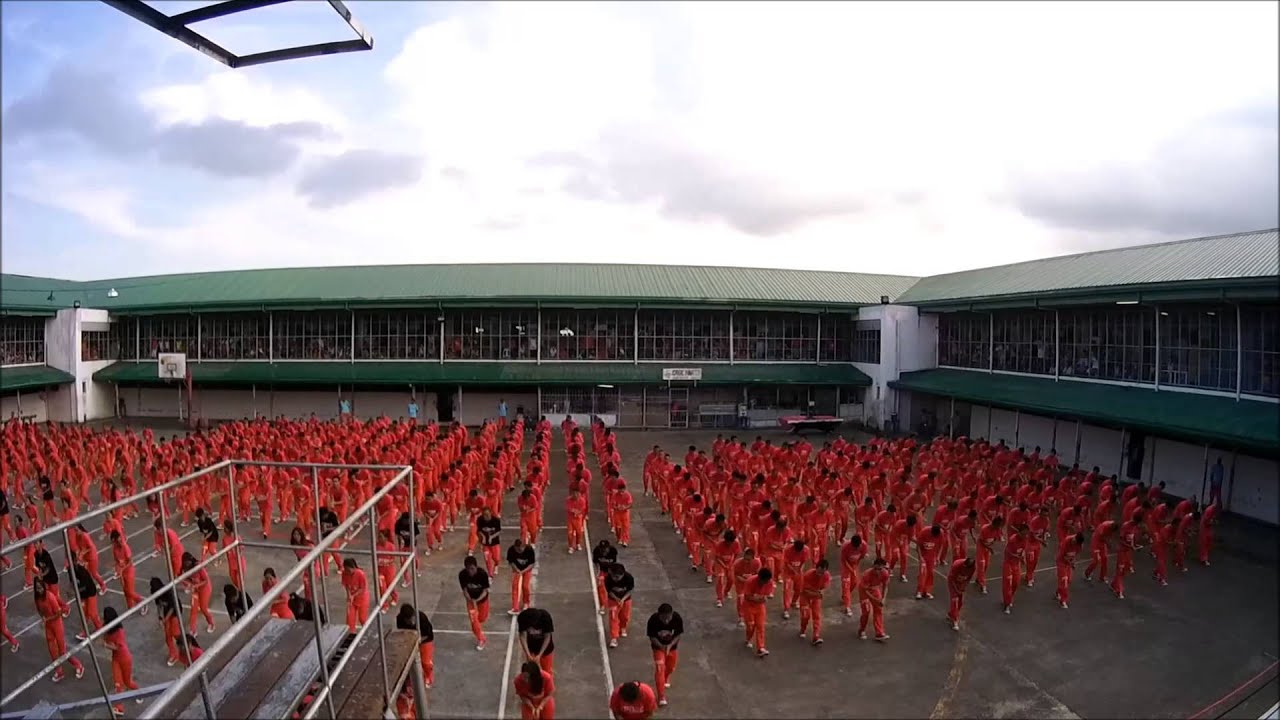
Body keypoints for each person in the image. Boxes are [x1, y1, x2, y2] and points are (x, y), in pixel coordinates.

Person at [34, 577, 84, 682]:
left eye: (40, 588)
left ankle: (78, 664)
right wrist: (43, 618)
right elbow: (39, 610)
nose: (39, 590)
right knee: (52, 650)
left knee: (62, 651)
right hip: (48, 625)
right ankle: (59, 671)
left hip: (56, 624)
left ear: (44, 586)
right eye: (37, 588)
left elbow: (58, 613)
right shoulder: (37, 598)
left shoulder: (50, 597)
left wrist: (46, 619)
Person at [101, 606, 143, 714]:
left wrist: (106, 645)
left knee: (127, 682)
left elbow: (118, 647)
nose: (103, 619)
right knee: (118, 683)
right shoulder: (107, 628)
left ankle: (139, 692)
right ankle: (119, 707)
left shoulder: (119, 631)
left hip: (124, 658)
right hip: (115, 659)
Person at [646, 603, 683, 706]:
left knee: (671, 667)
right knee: (659, 669)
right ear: (659, 615)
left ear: (671, 614)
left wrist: (670, 645)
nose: (666, 621)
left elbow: (678, 634)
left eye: (668, 618)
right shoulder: (653, 620)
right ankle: (661, 696)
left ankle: (666, 677)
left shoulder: (676, 618)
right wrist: (662, 647)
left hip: (672, 648)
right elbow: (652, 637)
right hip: (658, 647)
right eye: (664, 618)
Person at [396, 604, 435, 688]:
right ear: (404, 619)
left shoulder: (421, 617)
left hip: (425, 640)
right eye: (409, 620)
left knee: (426, 662)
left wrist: (418, 641)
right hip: (410, 640)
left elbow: (427, 634)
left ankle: (428, 676)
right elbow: (402, 633)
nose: (411, 622)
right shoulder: (399, 619)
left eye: (412, 618)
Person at [150, 576, 184, 666]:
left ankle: (185, 646)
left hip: (175, 611)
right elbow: (159, 606)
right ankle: (174, 654)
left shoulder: (168, 592)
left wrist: (165, 619)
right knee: (167, 635)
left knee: (175, 633)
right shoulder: (155, 592)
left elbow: (173, 607)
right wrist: (160, 618)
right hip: (166, 613)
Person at [459, 555, 491, 650]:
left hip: (482, 598)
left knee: (482, 618)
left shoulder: (482, 574)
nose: (470, 571)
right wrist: (469, 599)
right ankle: (481, 639)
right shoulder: (462, 575)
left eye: (472, 569)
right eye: (468, 569)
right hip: (470, 599)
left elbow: (485, 591)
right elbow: (464, 590)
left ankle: (477, 626)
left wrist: (477, 600)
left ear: (476, 567)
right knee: (474, 620)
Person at [740, 567, 774, 658]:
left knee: (760, 626)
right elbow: (747, 597)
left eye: (767, 581)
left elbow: (767, 595)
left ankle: (761, 647)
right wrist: (758, 599)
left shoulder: (769, 582)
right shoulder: (750, 581)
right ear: (759, 578)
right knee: (750, 626)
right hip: (749, 607)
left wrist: (762, 599)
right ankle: (748, 638)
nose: (765, 583)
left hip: (760, 607)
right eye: (764, 581)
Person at [179, 552, 216, 635]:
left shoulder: (198, 566)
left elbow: (206, 580)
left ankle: (211, 623)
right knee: (193, 609)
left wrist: (195, 585)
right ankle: (193, 630)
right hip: (196, 590)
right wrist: (188, 584)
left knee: (203, 608)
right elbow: (183, 578)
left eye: (188, 562)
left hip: (205, 589)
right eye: (185, 562)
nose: (187, 564)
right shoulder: (184, 568)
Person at [798, 558, 831, 646]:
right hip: (805, 597)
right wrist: (817, 593)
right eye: (819, 571)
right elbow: (805, 591)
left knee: (816, 615)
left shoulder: (826, 575)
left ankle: (816, 636)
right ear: (816, 568)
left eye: (823, 572)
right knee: (805, 615)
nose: (820, 574)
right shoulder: (808, 575)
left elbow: (824, 588)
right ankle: (803, 629)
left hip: (816, 596)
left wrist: (820, 593)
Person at [858, 556, 891, 642]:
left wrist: (883, 598)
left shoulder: (885, 573)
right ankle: (862, 630)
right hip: (864, 592)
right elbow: (865, 591)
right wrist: (876, 600)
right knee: (866, 612)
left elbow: (885, 586)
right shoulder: (867, 574)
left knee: (878, 610)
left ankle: (879, 633)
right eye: (877, 569)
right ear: (874, 566)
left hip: (875, 589)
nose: (878, 571)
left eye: (880, 569)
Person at [604, 562, 635, 648]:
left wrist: (623, 599)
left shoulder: (629, 578)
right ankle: (614, 637)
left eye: (617, 577)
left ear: (622, 574)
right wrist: (617, 599)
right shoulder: (608, 579)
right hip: (613, 600)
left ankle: (623, 627)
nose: (615, 579)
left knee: (625, 616)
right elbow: (609, 591)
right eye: (613, 576)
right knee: (613, 618)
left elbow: (630, 590)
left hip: (626, 599)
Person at [517, 607, 555, 674]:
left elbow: (547, 637)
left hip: (546, 649)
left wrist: (540, 655)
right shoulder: (523, 618)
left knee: (547, 672)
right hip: (531, 648)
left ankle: (548, 684)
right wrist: (528, 654)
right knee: (532, 671)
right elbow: (522, 636)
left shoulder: (545, 617)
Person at [946, 557, 977, 631]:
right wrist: (956, 590)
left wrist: (963, 587)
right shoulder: (956, 565)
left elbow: (968, 579)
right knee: (955, 600)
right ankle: (955, 620)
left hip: (961, 582)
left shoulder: (973, 567)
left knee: (960, 602)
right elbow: (951, 579)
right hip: (953, 582)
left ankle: (951, 614)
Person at [1056, 532, 1085, 609]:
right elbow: (1062, 556)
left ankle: (1059, 591)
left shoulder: (1080, 546)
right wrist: (1071, 563)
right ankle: (1063, 600)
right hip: (1061, 562)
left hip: (1068, 562)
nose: (1074, 542)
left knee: (1068, 580)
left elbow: (1074, 555)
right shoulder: (1066, 541)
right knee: (1064, 580)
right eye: (1074, 540)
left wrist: (1073, 562)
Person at [508, 538, 537, 615]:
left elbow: (531, 564)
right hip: (516, 570)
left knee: (525, 586)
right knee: (515, 587)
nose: (519, 551)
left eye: (520, 549)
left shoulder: (529, 550)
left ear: (523, 547)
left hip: (526, 569)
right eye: (517, 549)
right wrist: (517, 569)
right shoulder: (511, 550)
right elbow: (511, 562)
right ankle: (515, 607)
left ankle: (526, 603)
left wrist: (523, 571)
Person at [341, 558, 370, 633]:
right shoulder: (344, 573)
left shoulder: (360, 574)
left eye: (348, 569)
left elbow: (362, 588)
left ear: (353, 567)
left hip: (362, 598)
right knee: (350, 619)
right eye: (346, 569)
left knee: (362, 618)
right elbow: (346, 585)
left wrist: (353, 595)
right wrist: (348, 595)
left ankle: (366, 632)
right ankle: (351, 634)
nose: (347, 571)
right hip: (352, 599)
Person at [476, 508, 503, 576]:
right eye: (484, 515)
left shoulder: (496, 520)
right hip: (485, 544)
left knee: (496, 558)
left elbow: (499, 531)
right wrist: (483, 537)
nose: (486, 517)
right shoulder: (480, 520)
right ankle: (490, 574)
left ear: (490, 513)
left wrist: (492, 537)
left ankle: (496, 565)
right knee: (487, 559)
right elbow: (479, 530)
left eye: (487, 515)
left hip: (495, 543)